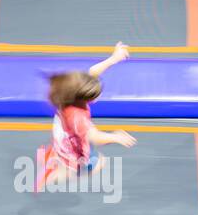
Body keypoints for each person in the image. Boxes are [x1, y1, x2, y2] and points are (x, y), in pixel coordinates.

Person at [36, 41, 135, 192]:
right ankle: (51, 176)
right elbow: (95, 138)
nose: (99, 97)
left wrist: (113, 59)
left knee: (64, 147)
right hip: (71, 145)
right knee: (99, 163)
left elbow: (92, 72)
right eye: (96, 96)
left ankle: (53, 155)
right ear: (85, 98)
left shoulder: (72, 91)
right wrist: (116, 137)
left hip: (62, 130)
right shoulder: (78, 118)